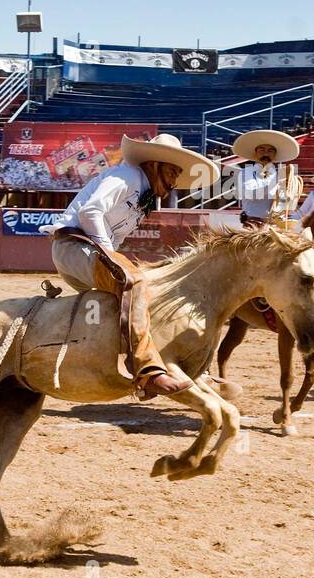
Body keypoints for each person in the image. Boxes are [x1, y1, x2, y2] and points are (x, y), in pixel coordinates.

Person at [44, 134, 219, 399]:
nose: (174, 182)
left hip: (79, 250)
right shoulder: (126, 177)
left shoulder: (141, 194)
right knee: (136, 284)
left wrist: (110, 254)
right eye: (172, 172)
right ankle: (149, 371)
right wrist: (110, 255)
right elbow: (89, 212)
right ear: (154, 165)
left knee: (122, 299)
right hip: (75, 246)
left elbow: (111, 231)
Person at [232, 129, 300, 227]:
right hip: (253, 223)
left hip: (274, 224)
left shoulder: (278, 175)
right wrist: (277, 181)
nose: (266, 154)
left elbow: (283, 202)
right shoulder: (246, 172)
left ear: (275, 154)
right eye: (262, 150)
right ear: (255, 153)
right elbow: (251, 194)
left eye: (270, 150)